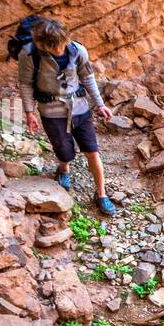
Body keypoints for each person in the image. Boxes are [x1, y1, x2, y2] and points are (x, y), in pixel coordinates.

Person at [17, 17, 116, 215]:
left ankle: (101, 194)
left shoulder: (78, 51)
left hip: (79, 108)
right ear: (42, 44)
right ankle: (64, 168)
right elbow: (25, 84)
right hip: (51, 111)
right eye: (53, 48)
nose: (59, 51)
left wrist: (100, 104)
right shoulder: (29, 54)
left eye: (61, 45)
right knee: (64, 149)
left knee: (92, 150)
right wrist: (29, 112)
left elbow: (88, 78)